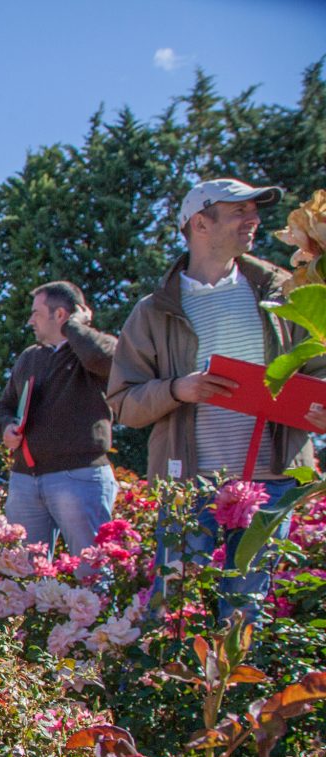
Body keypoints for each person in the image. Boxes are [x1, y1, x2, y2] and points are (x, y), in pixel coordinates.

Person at [108, 177, 326, 611]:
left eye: (255, 210)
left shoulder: (289, 293)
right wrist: (178, 388)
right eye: (239, 211)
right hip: (190, 485)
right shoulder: (153, 312)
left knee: (247, 608)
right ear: (200, 224)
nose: (254, 219)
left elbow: (319, 365)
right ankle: (175, 681)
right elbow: (122, 404)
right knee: (177, 607)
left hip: (272, 481)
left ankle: (241, 680)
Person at [0, 281, 118, 557]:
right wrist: (5, 428)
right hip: (26, 478)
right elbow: (4, 406)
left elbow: (107, 359)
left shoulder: (91, 349)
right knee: (23, 575)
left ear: (60, 315)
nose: (30, 320)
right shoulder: (30, 357)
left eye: (36, 313)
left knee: (92, 571)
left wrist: (75, 327)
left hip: (79, 475)